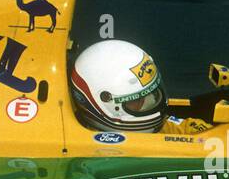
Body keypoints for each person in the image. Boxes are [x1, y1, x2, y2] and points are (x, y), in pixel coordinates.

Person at [69, 39, 212, 136]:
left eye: (153, 94)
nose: (149, 101)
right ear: (103, 104)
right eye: (138, 101)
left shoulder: (163, 127)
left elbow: (187, 131)